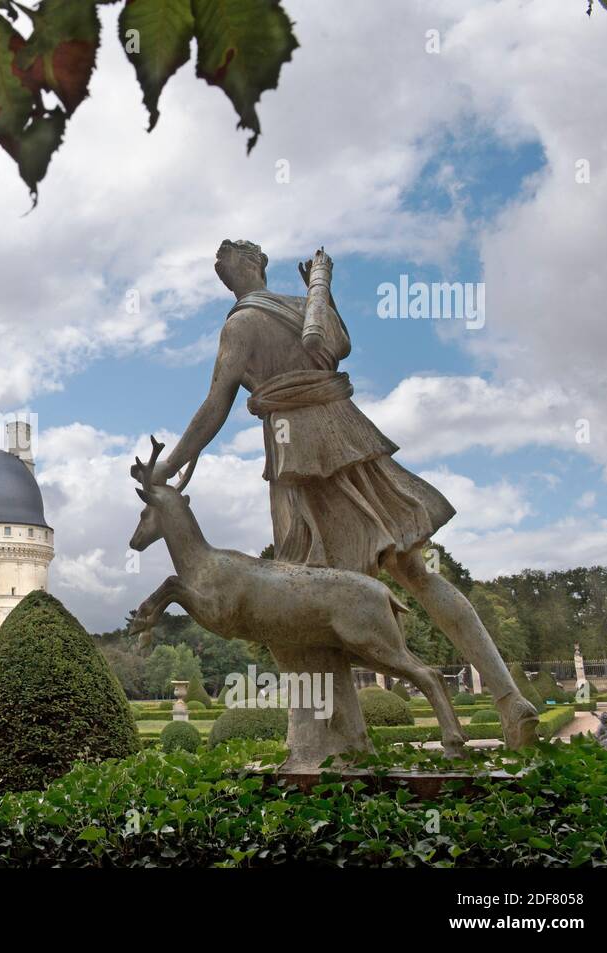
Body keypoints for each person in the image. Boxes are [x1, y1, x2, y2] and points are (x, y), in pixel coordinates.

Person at [151, 239, 538, 749]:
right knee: (412, 570)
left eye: (222, 258)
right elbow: (335, 347)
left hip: (298, 453)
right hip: (347, 434)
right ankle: (509, 700)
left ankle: (325, 742)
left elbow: (215, 405)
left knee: (301, 590)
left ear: (249, 264)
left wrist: (166, 468)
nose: (216, 266)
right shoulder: (305, 303)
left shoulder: (241, 324)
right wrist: (320, 287)